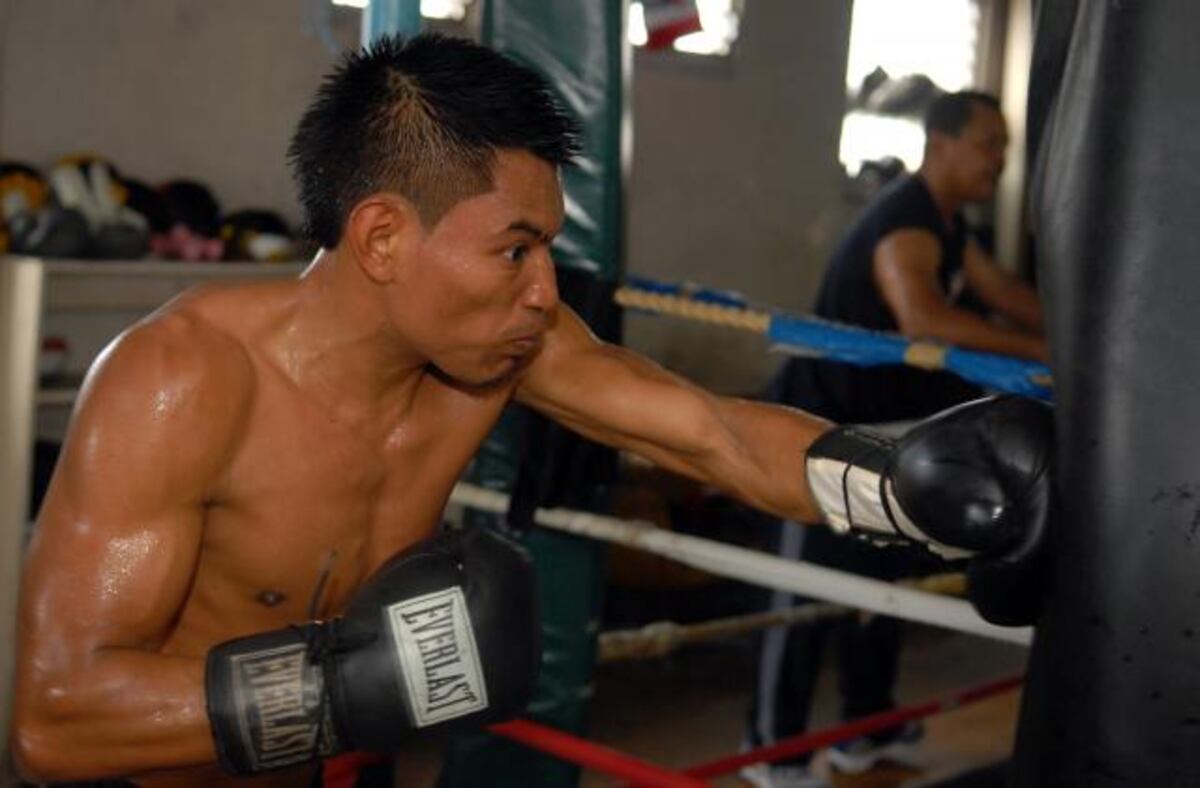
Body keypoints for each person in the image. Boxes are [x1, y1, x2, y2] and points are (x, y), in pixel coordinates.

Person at [10, 39, 1049, 788]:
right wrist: (349, 685)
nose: (546, 290)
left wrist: (900, 483)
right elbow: (53, 720)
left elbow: (711, 431)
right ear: (381, 238)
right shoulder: (179, 380)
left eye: (547, 249)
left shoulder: (500, 349)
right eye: (515, 249)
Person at [743, 91, 1047, 788]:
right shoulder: (904, 221)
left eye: (1003, 146)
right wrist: (1044, 357)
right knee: (803, 589)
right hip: (818, 435)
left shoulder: (947, 225)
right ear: (942, 142)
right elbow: (925, 317)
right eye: (989, 144)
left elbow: (1002, 291)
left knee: (878, 581)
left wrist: (1078, 334)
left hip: (890, 436)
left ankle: (868, 724)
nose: (1001, 161)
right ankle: (771, 751)